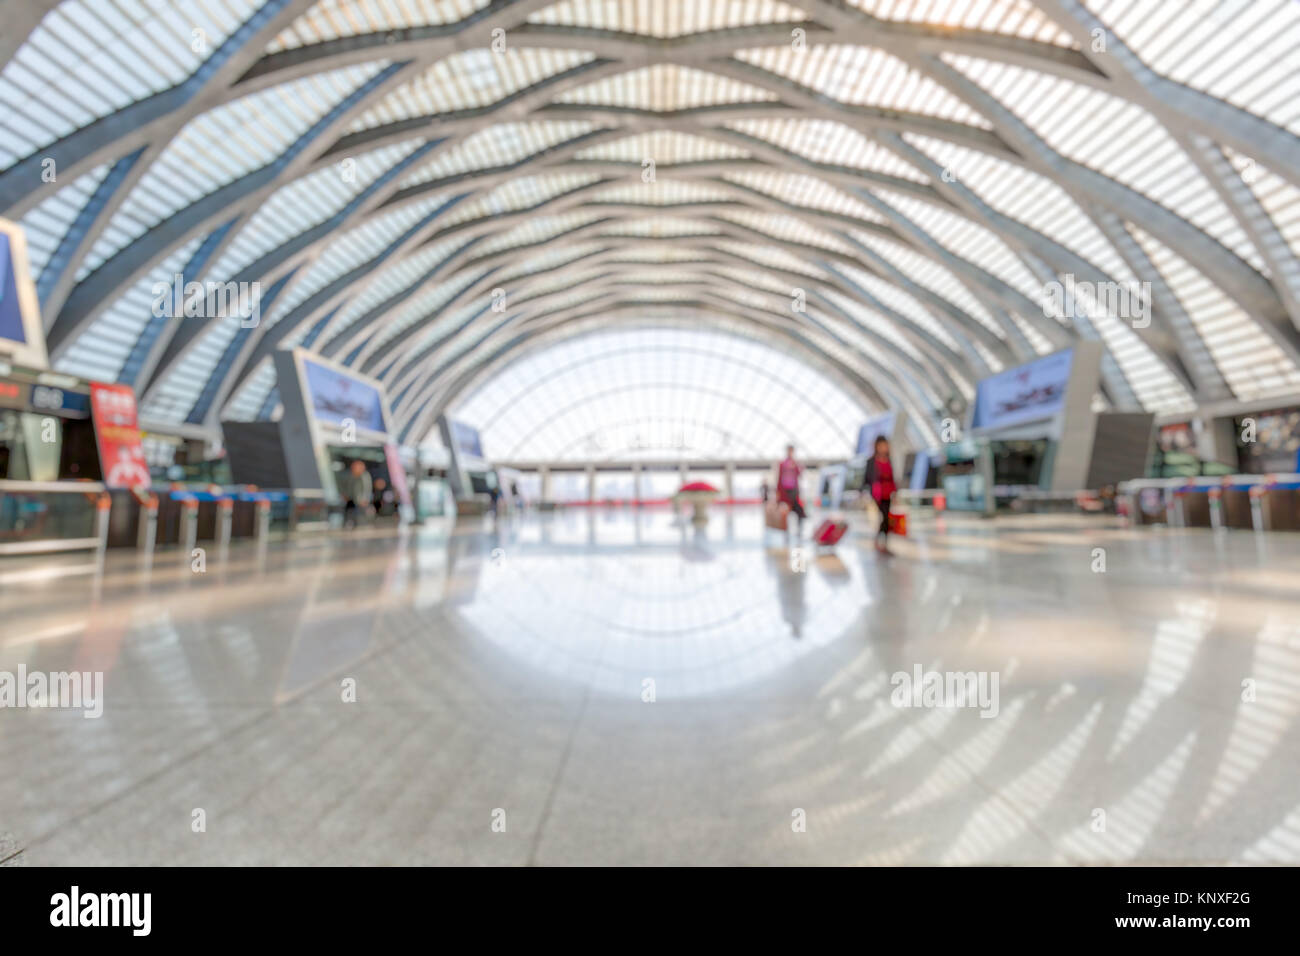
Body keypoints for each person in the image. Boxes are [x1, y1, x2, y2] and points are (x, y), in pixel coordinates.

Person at [863, 436, 897, 552]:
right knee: (884, 517)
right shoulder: (871, 461)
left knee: (887, 517)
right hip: (877, 494)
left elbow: (892, 478)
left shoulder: (889, 460)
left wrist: (895, 493)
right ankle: (880, 539)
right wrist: (863, 493)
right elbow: (866, 479)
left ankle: (883, 540)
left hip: (888, 493)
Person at [776, 445, 806, 533]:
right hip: (785, 491)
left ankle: (799, 530)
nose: (790, 452)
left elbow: (799, 475)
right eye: (789, 450)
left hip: (794, 491)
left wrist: (799, 467)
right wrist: (778, 492)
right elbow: (779, 477)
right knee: (785, 512)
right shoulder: (782, 464)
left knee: (799, 511)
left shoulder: (795, 463)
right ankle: (786, 530)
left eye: (792, 451)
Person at [337, 459, 372, 529]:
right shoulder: (348, 475)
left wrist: (365, 498)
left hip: (360, 500)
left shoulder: (365, 476)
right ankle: (347, 525)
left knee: (361, 515)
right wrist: (344, 494)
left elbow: (367, 488)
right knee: (348, 514)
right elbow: (342, 486)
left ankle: (361, 526)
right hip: (350, 498)